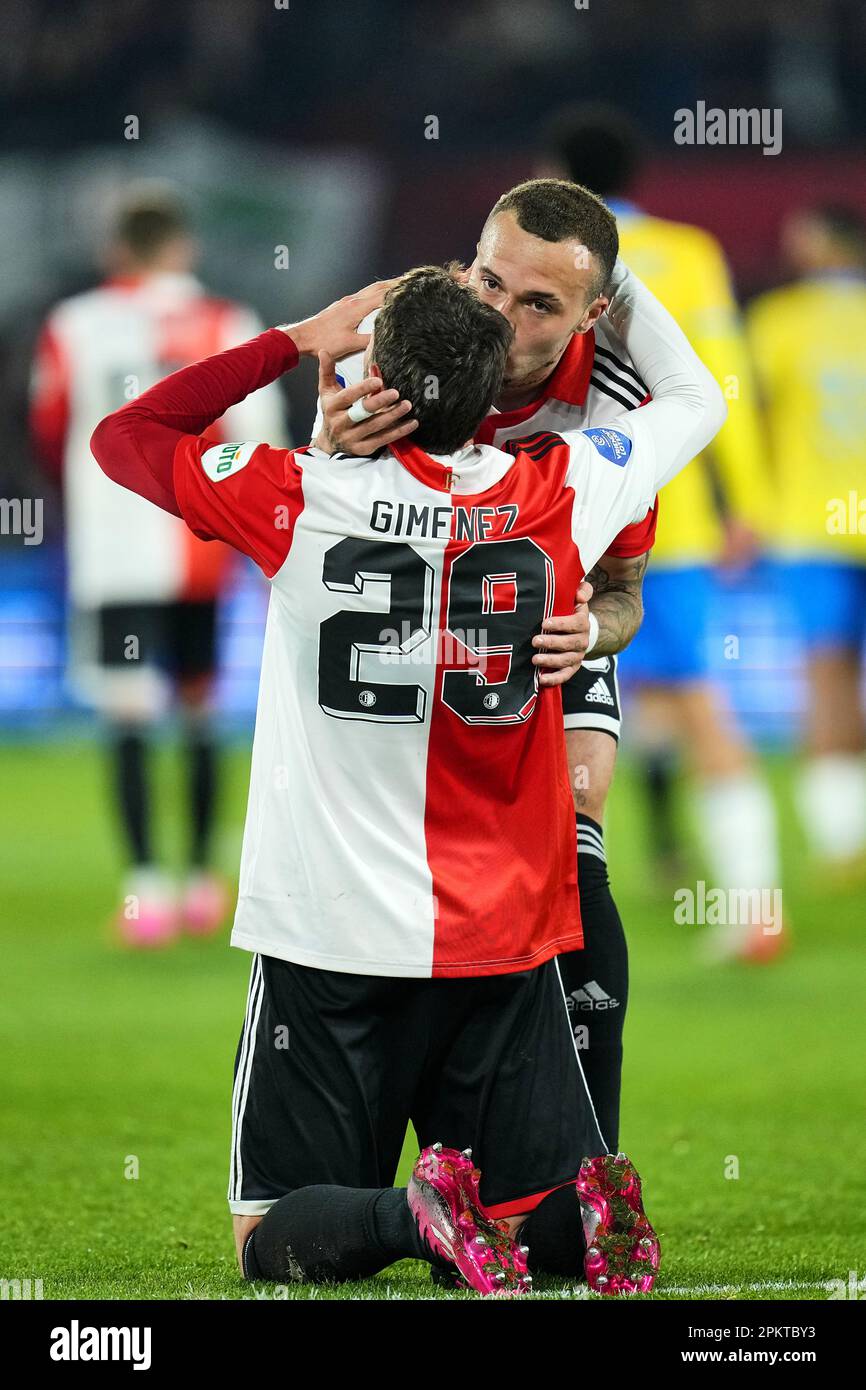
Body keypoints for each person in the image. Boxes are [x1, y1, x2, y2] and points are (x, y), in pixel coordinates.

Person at [91, 261, 724, 1295]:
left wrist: (299, 337)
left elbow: (123, 437)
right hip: (501, 936)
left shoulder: (295, 493)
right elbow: (692, 397)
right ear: (496, 392)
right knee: (527, 1218)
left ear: (371, 374)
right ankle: (574, 1211)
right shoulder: (563, 482)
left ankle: (410, 1212)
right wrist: (597, 273)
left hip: (328, 934)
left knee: (271, 1239)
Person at [316, 178, 659, 1152]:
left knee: (574, 840)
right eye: (489, 281)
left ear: (593, 313)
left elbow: (625, 592)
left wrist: (583, 635)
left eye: (539, 303)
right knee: (393, 853)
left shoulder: (616, 402)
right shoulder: (398, 343)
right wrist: (332, 448)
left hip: (537, 631)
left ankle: (592, 1163)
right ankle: (417, 1142)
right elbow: (309, 512)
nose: (500, 317)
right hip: (399, 629)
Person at [541, 106, 784, 964]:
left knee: (678, 709)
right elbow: (724, 383)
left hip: (560, 520)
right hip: (667, 522)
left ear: (559, 175)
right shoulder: (688, 253)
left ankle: (755, 907)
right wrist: (740, 505)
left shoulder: (539, 251)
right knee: (644, 712)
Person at [31, 185, 287, 946]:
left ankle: (144, 892)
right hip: (201, 549)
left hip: (114, 551)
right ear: (183, 249)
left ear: (117, 251)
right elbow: (259, 443)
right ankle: (206, 883)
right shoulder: (229, 322)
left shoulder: (73, 324)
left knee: (129, 714)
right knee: (203, 711)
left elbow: (51, 432)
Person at [746, 205, 866, 876]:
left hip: (808, 525)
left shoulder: (778, 321)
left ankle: (840, 842)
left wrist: (749, 509)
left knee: (825, 677)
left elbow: (749, 419)